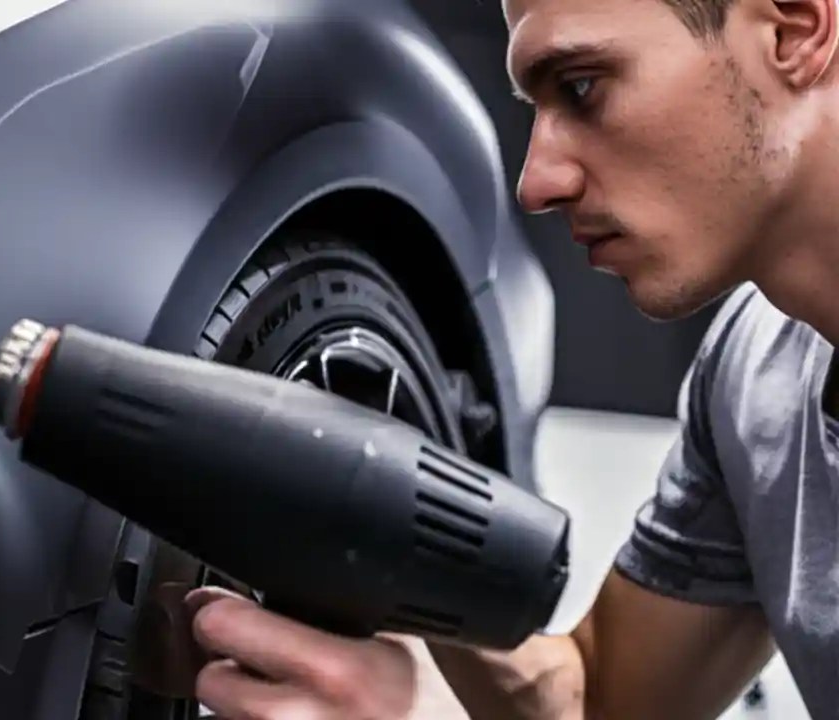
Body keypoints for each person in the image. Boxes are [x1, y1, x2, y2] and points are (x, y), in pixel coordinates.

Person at [136, 0, 839, 717]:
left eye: (583, 87)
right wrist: (373, 545)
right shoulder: (755, 374)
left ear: (792, 30)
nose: (537, 184)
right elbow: (601, 700)